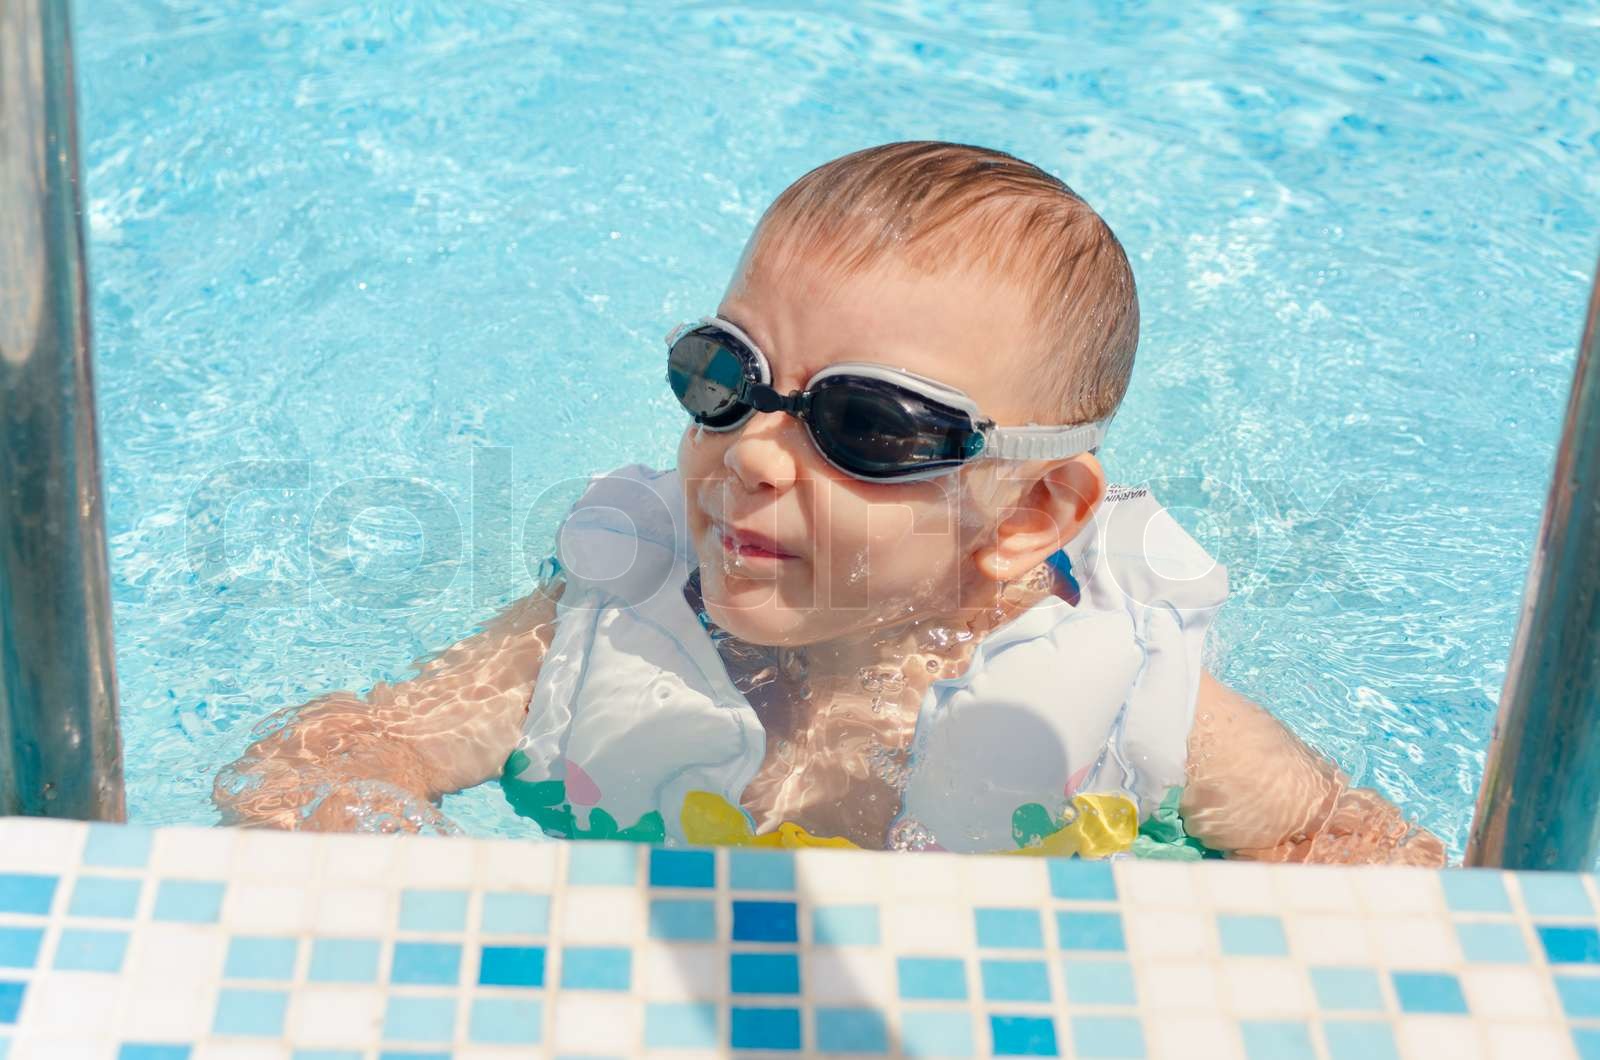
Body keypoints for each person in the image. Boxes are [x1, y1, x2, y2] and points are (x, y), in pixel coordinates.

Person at [216, 141, 1445, 865]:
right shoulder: (589, 630)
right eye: (725, 376)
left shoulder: (1132, 698)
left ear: (1024, 517)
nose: (753, 451)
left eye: (866, 424)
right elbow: (323, 757)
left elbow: (1350, 855)